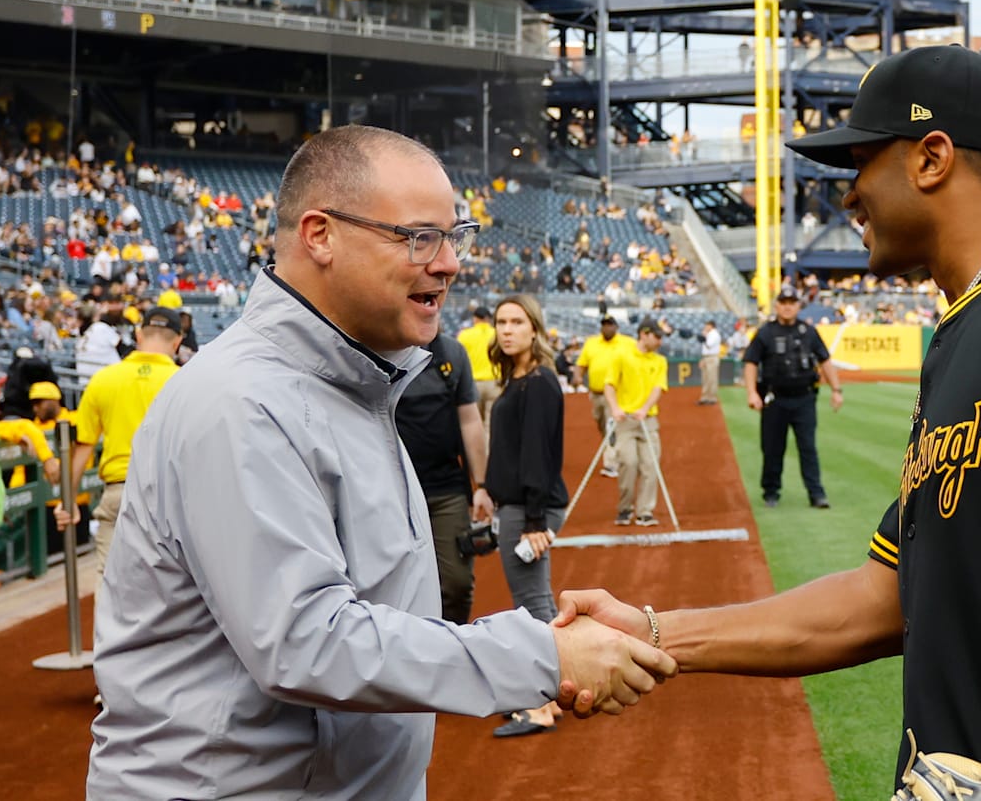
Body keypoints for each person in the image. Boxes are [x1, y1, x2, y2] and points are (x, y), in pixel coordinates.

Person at [556, 46, 981, 801]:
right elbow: (885, 595)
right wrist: (653, 634)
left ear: (931, 159)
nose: (849, 195)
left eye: (860, 162)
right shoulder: (969, 326)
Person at [84, 125, 675, 798]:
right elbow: (307, 641)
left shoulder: (356, 383)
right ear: (319, 235)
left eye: (456, 237)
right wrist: (541, 653)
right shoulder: (241, 400)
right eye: (419, 237)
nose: (450, 262)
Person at [484, 294, 572, 737]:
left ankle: (541, 703)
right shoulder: (518, 378)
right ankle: (552, 695)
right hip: (518, 506)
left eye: (517, 321)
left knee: (533, 602)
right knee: (535, 600)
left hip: (529, 509)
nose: (507, 329)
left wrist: (536, 521)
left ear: (534, 329)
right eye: (501, 321)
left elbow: (539, 455)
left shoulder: (537, 381)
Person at [61, 307, 184, 590]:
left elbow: (83, 448)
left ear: (138, 335)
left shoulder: (103, 379)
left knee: (111, 586)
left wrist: (68, 503)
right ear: (177, 342)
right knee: (171, 590)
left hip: (118, 491)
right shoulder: (185, 380)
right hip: (168, 497)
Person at [394, 330, 493, 624]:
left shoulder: (451, 353)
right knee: (396, 585)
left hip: (447, 490)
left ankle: (451, 644)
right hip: (392, 493)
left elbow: (470, 419)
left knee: (457, 583)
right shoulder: (375, 350)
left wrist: (483, 485)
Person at [743, 284, 842, 508]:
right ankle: (771, 492)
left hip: (804, 399)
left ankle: (816, 493)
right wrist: (751, 393)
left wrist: (836, 390)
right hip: (774, 399)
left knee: (808, 447)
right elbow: (751, 362)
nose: (787, 308)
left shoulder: (808, 332)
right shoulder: (766, 332)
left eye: (792, 303)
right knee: (772, 447)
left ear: (798, 306)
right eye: (783, 303)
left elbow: (824, 360)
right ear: (777, 305)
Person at [605, 319, 668, 527]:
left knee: (651, 466)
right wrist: (615, 408)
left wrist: (644, 409)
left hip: (648, 420)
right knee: (628, 463)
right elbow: (609, 385)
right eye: (656, 336)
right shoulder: (621, 355)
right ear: (644, 334)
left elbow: (658, 388)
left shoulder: (660, 361)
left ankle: (645, 511)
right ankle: (625, 508)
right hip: (625, 420)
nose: (660, 341)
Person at [574, 314, 635, 478]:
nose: (607, 328)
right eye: (604, 325)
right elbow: (581, 364)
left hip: (616, 394)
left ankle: (611, 463)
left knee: (611, 426)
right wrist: (578, 375)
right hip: (596, 393)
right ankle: (616, 451)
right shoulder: (592, 343)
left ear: (616, 327)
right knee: (602, 425)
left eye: (610, 325)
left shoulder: (627, 343)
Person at [457, 303, 501, 427]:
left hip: (472, 384)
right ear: (488, 319)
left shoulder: (465, 335)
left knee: (474, 424)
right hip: (494, 382)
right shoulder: (497, 334)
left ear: (475, 318)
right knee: (491, 425)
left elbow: (459, 360)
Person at [697, 319, 722, 405]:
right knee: (705, 378)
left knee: (712, 378)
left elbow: (709, 345)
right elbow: (705, 348)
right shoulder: (709, 334)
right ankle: (705, 397)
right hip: (706, 357)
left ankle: (712, 398)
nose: (705, 327)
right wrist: (702, 359)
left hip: (712, 357)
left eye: (707, 325)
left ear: (711, 326)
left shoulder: (714, 334)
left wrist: (704, 336)